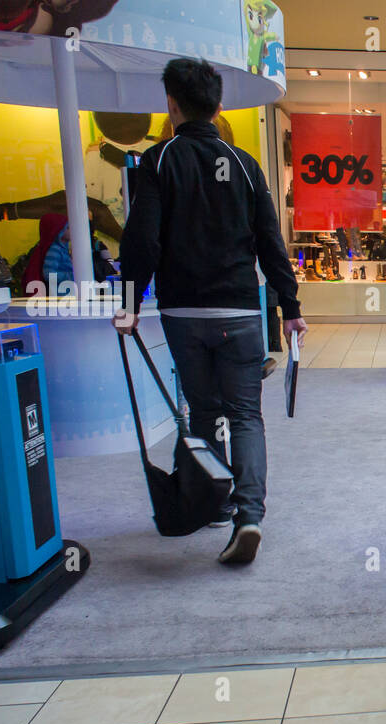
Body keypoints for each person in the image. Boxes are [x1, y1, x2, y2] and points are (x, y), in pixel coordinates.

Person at [115, 58, 305, 565]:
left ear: (171, 105)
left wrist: (130, 303)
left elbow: (142, 241)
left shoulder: (156, 162)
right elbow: (270, 242)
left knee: (203, 411)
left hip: (184, 314)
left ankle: (215, 505)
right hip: (241, 310)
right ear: (219, 106)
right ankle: (249, 515)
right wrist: (290, 307)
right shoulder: (245, 164)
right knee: (246, 415)